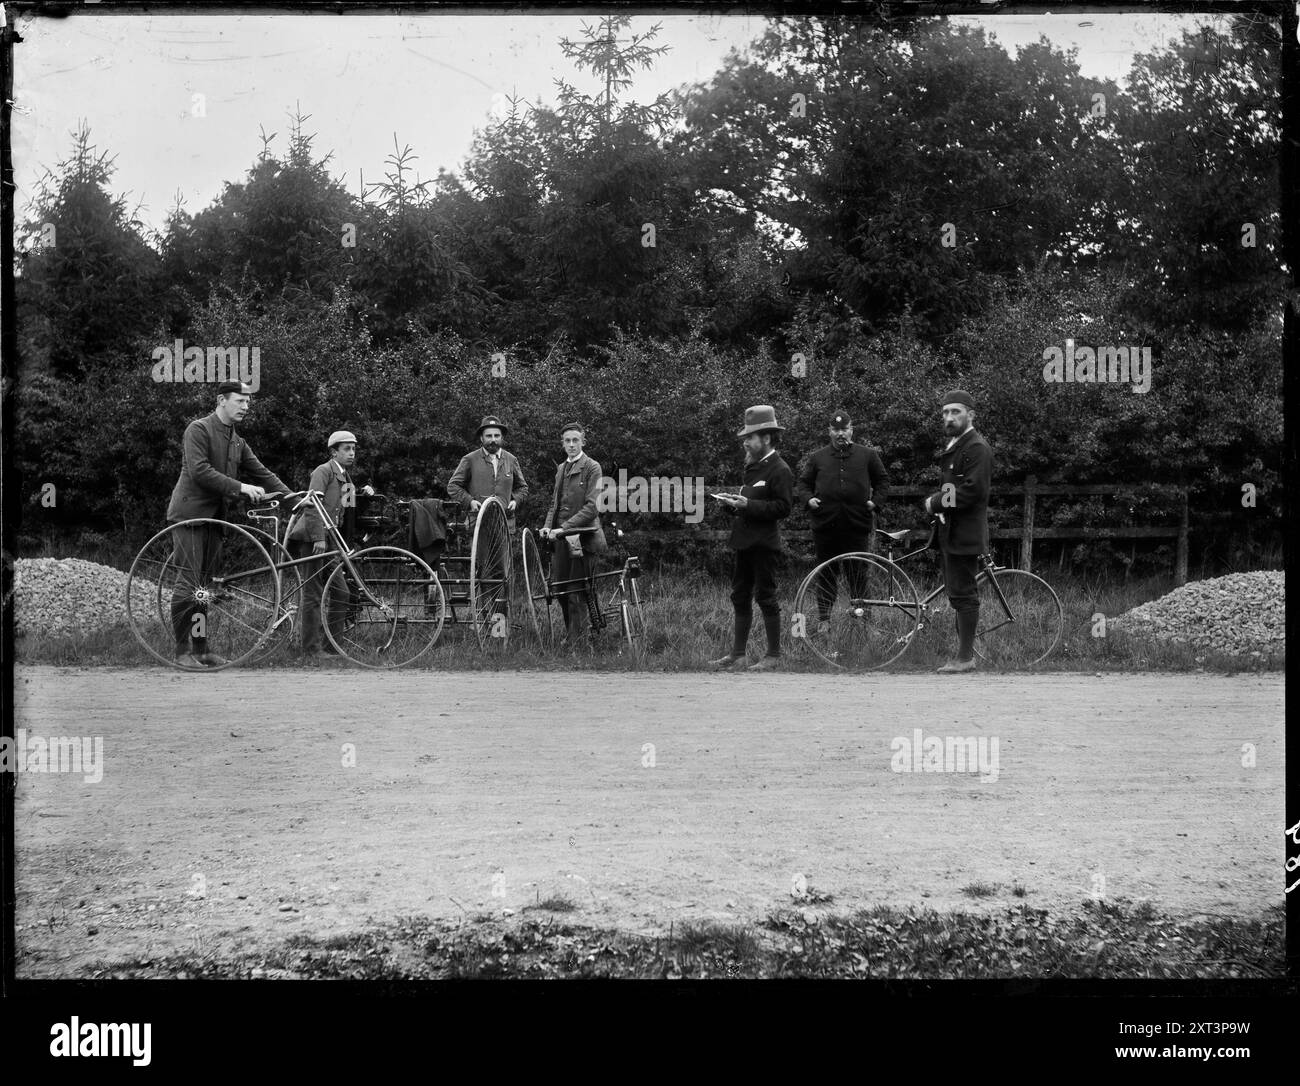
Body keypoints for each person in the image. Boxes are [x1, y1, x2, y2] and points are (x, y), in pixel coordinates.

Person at [165, 379, 290, 668]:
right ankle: (182, 653)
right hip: (189, 516)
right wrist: (241, 487)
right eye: (240, 401)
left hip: (214, 520)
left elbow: (263, 473)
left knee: (204, 589)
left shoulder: (237, 441)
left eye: (248, 402)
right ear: (222, 400)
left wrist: (294, 500)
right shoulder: (198, 429)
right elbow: (199, 471)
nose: (246, 407)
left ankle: (201, 649)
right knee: (188, 585)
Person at [709, 405, 795, 671]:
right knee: (739, 595)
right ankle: (738, 655)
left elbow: (783, 508)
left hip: (764, 544)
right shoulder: (752, 466)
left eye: (750, 437)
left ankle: (773, 655)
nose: (745, 443)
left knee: (766, 597)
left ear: (766, 438)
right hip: (744, 541)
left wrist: (748, 506)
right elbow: (750, 502)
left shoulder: (780, 469)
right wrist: (731, 504)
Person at [795, 410, 890, 633]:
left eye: (844, 429)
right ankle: (824, 622)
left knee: (857, 575)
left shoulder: (867, 455)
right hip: (825, 527)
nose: (840, 434)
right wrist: (809, 500)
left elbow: (883, 480)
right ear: (830, 431)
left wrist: (875, 502)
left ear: (851, 430)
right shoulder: (818, 457)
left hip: (856, 526)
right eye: (836, 430)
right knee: (826, 574)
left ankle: (863, 623)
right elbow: (803, 483)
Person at [286, 430, 373, 660]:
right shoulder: (323, 471)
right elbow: (312, 505)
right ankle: (311, 649)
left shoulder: (346, 478)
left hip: (331, 540)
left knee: (342, 592)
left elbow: (349, 512)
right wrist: (318, 538)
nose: (352, 453)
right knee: (313, 594)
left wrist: (363, 494)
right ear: (334, 452)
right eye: (346, 449)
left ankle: (332, 646)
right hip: (313, 539)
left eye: (354, 449)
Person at [923, 390, 993, 673]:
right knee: (957, 594)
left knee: (964, 594)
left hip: (965, 533)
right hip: (950, 531)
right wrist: (940, 503)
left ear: (970, 415)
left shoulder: (976, 448)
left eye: (956, 412)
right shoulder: (957, 445)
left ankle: (965, 659)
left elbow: (972, 492)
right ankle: (962, 655)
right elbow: (954, 489)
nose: (949, 418)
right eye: (945, 413)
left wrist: (935, 502)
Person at [540, 423, 607, 646]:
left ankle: (579, 641)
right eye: (567, 441)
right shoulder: (561, 468)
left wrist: (564, 528)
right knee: (559, 590)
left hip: (582, 538)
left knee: (577, 590)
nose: (571, 445)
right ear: (562, 444)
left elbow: (592, 508)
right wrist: (548, 527)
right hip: (560, 539)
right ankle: (573, 636)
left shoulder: (592, 467)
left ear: (583, 442)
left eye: (575, 440)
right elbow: (554, 504)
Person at [446, 414, 529, 531]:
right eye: (489, 436)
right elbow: (452, 486)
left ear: (502, 438)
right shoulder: (469, 459)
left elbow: (522, 487)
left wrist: (516, 500)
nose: (493, 440)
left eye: (497, 436)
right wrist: (470, 501)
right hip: (478, 524)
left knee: (504, 550)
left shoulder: (511, 460)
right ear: (481, 438)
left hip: (505, 525)